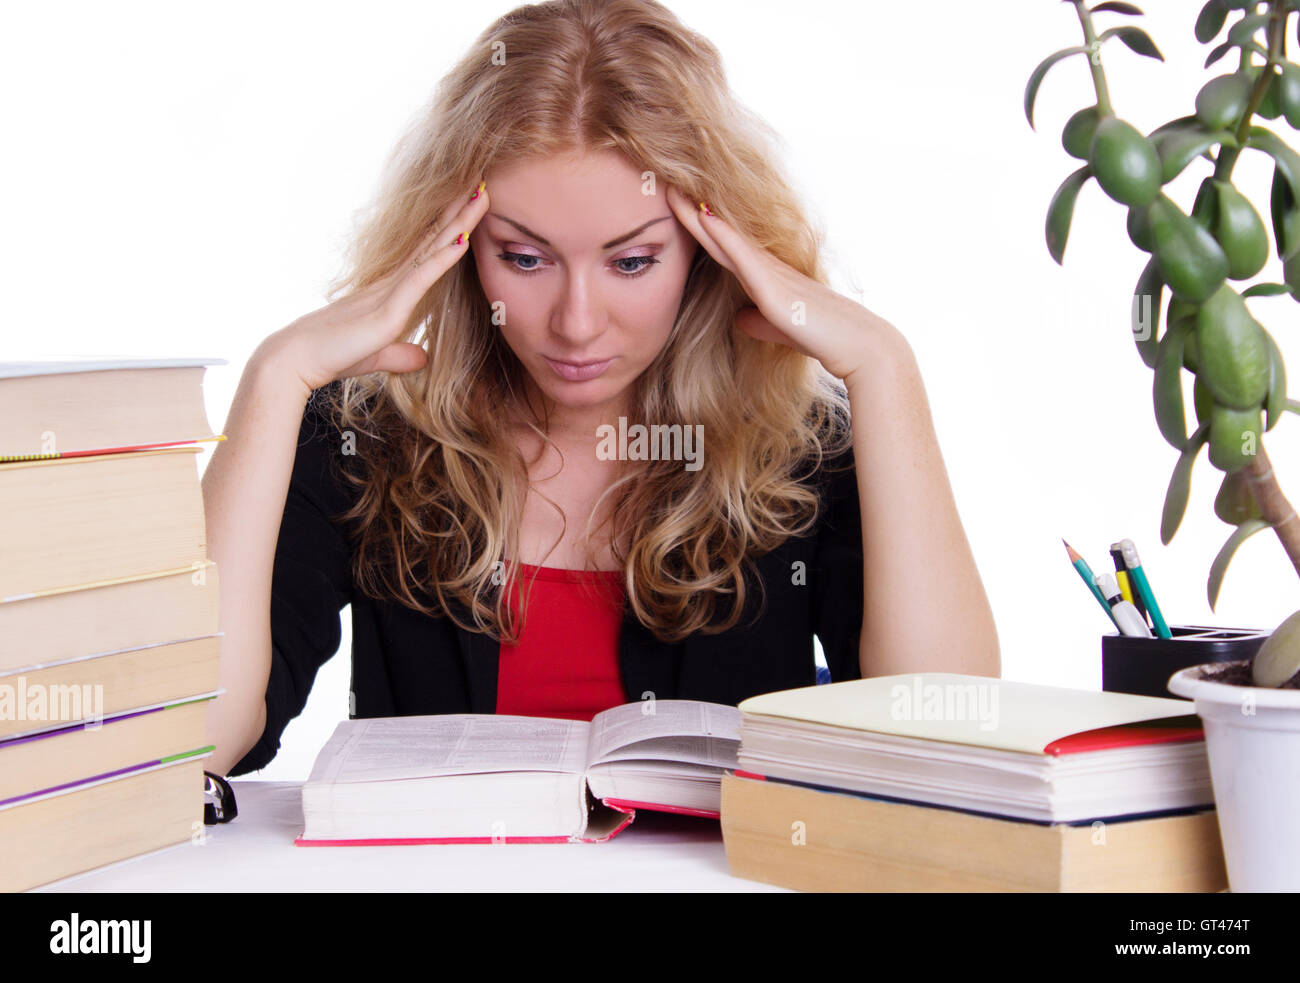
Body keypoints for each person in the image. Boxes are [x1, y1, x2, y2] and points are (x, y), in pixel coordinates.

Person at [203, 0, 1000, 778]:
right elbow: (196, 743)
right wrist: (275, 377)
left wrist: (885, 369)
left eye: (630, 262)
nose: (577, 323)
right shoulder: (360, 440)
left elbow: (947, 749)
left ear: (706, 250)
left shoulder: (803, 451)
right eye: (524, 257)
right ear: (453, 246)